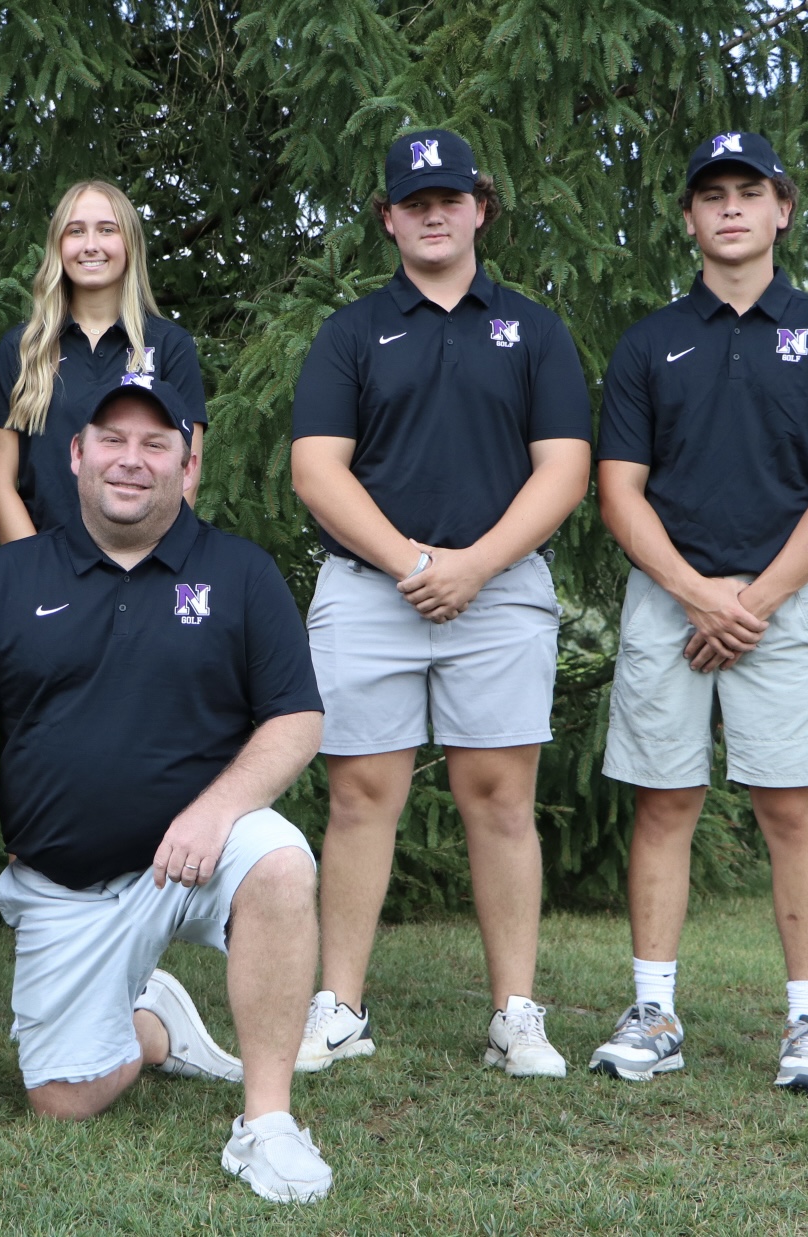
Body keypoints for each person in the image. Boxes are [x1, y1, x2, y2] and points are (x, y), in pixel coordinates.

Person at [0, 373, 334, 1204]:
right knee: (61, 1100)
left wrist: (218, 808)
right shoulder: (8, 579)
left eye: (156, 444)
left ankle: (266, 1122)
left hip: (197, 853)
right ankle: (153, 1024)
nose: (130, 460)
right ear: (75, 455)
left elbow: (295, 721)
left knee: (282, 862)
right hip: (63, 881)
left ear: (187, 468)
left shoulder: (241, 573)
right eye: (111, 439)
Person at [288, 130, 592, 1075]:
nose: (431, 212)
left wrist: (474, 565)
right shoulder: (348, 332)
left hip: (498, 596)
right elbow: (316, 469)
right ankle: (338, 1006)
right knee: (358, 796)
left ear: (478, 209)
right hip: (369, 590)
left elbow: (564, 469)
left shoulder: (534, 330)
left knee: (499, 801)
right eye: (411, 200)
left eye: (447, 198)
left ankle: (515, 1016)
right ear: (387, 217)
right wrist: (416, 562)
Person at [590, 130, 808, 1098]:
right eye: (710, 194)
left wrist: (749, 602)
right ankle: (654, 1011)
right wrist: (695, 593)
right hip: (667, 599)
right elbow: (619, 491)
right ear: (687, 218)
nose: (729, 208)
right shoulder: (647, 341)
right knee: (664, 800)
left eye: (748, 191)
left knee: (790, 806)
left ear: (781, 209)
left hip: (782, 604)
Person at [0, 179, 206, 541]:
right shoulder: (21, 348)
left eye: (106, 230)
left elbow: (183, 477)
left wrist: (147, 565)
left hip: (141, 567)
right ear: (58, 246)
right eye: (75, 231)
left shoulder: (170, 345)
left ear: (129, 243)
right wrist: (33, 568)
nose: (90, 245)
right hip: (44, 568)